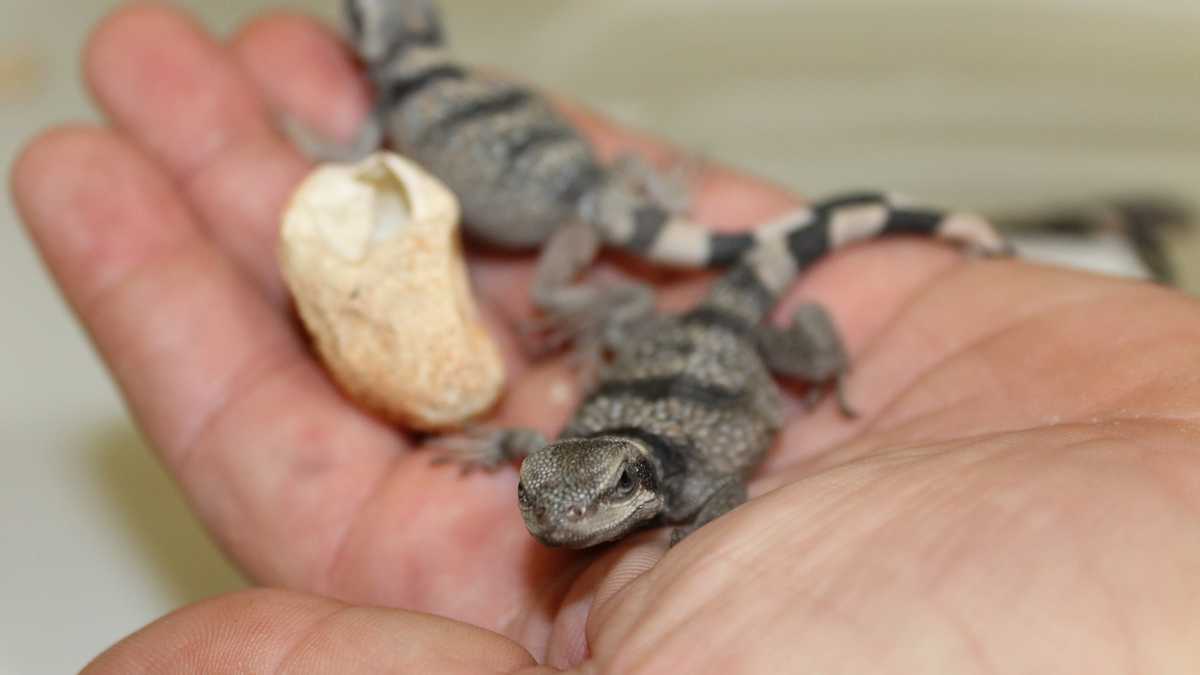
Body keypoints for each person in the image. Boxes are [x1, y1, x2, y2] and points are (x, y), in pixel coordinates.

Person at [13, 4, 1200, 673]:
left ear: (639, 488)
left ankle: (862, 292)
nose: (549, 520)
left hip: (719, 350)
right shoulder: (571, 462)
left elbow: (719, 486)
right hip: (660, 351)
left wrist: (752, 465)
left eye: (572, 500)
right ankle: (905, 230)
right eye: (544, 495)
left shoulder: (692, 477)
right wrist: (508, 447)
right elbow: (551, 455)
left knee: (798, 325)